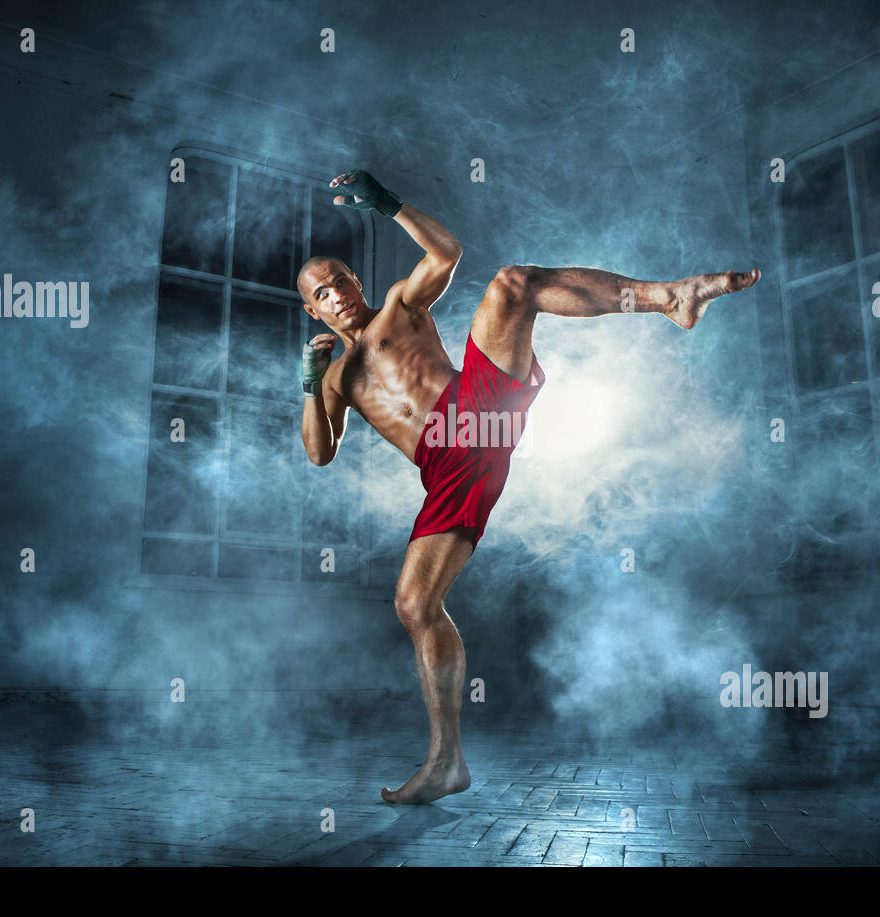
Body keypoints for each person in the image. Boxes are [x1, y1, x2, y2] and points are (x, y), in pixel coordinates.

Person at [297, 169, 760, 803]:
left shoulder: (402, 306)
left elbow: (446, 254)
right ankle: (446, 762)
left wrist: (390, 205)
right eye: (323, 292)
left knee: (513, 284)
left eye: (342, 279)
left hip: (475, 410)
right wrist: (306, 384)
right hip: (448, 469)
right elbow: (320, 453)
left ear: (357, 280)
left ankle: (669, 298)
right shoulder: (334, 379)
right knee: (414, 605)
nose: (338, 293)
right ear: (312, 308)